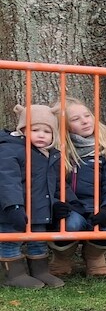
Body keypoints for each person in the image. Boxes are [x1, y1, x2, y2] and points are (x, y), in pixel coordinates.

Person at [48, 98, 106, 277]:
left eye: (87, 115)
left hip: (97, 209)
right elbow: (49, 185)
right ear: (64, 126)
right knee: (70, 224)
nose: (84, 121)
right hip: (70, 209)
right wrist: (55, 204)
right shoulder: (58, 153)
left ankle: (94, 257)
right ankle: (62, 257)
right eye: (75, 119)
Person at [0, 105, 73, 288]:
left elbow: (55, 185)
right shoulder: (10, 150)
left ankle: (41, 272)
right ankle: (14, 275)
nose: (41, 135)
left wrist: (59, 203)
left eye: (47, 131)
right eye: (34, 130)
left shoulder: (51, 155)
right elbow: (7, 180)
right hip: (14, 210)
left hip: (40, 209)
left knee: (39, 241)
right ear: (22, 130)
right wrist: (13, 206)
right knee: (11, 241)